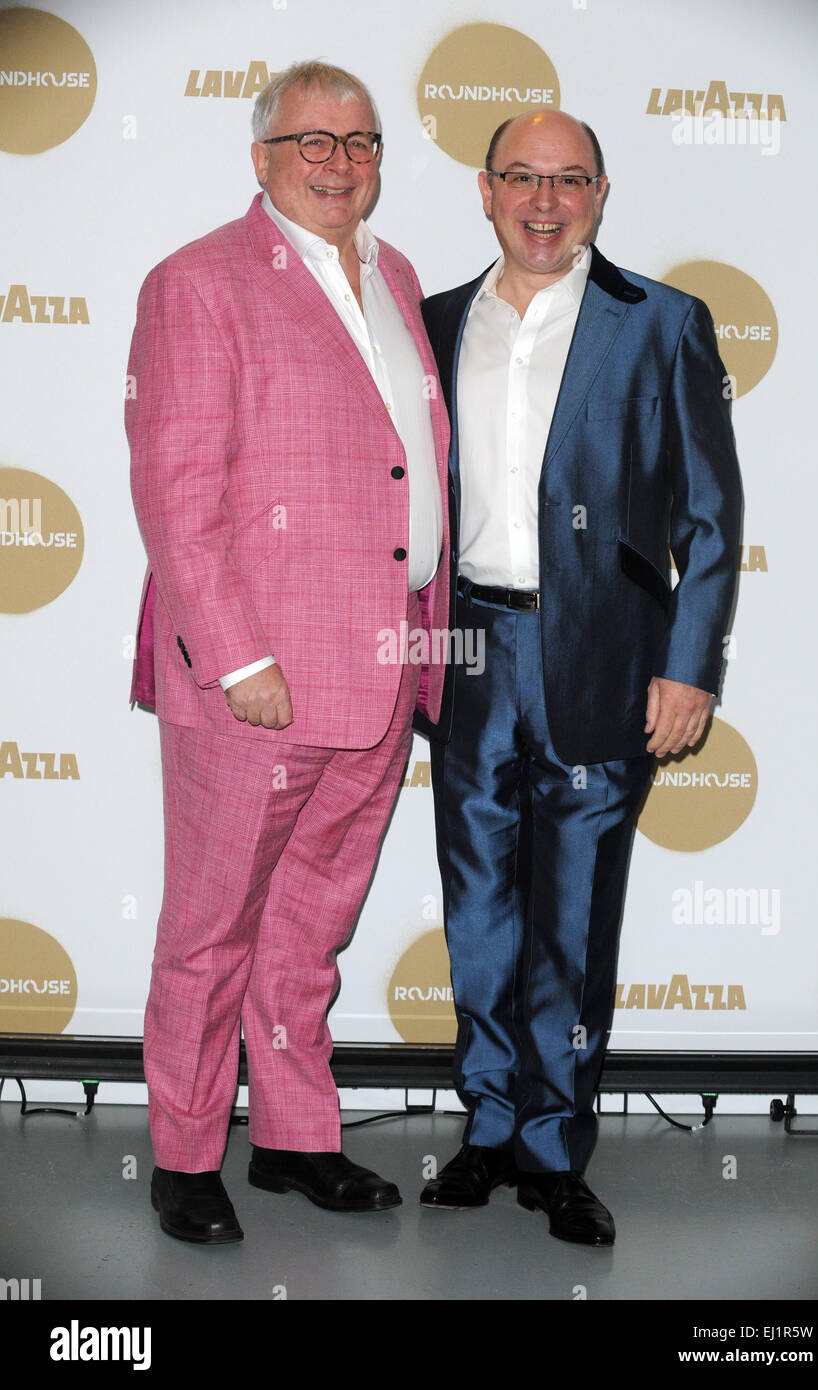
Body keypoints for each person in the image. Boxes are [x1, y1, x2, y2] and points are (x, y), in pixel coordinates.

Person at [126, 61, 449, 1244]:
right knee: (212, 928)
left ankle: (297, 1138)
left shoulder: (395, 273)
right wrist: (234, 654)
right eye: (311, 140)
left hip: (379, 660)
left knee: (311, 922)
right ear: (260, 157)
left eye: (358, 141)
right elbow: (175, 488)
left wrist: (425, 641)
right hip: (254, 677)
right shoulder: (197, 282)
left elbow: (406, 466)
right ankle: (184, 1152)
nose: (337, 160)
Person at [415, 110, 742, 1244]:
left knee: (571, 918)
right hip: (462, 650)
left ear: (600, 193)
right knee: (478, 911)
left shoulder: (659, 322)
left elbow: (708, 514)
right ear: (484, 187)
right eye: (521, 177)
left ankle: (555, 1146)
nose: (542, 202)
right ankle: (489, 1126)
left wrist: (688, 666)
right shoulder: (431, 324)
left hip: (603, 657)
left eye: (567, 181)